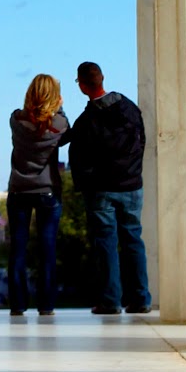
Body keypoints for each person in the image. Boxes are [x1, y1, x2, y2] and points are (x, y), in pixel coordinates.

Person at [67, 60, 152, 316]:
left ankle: (110, 301)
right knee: (133, 240)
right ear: (102, 78)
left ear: (82, 86)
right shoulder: (129, 108)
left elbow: (77, 158)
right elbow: (141, 141)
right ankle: (140, 299)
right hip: (130, 185)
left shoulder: (85, 122)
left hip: (101, 189)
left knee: (106, 244)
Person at [6, 74, 69, 318]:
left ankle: (18, 305)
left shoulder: (16, 120)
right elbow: (64, 130)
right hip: (47, 190)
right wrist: (59, 107)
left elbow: (24, 116)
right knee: (47, 250)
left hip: (19, 189)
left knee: (18, 251)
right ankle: (46, 305)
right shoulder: (59, 124)